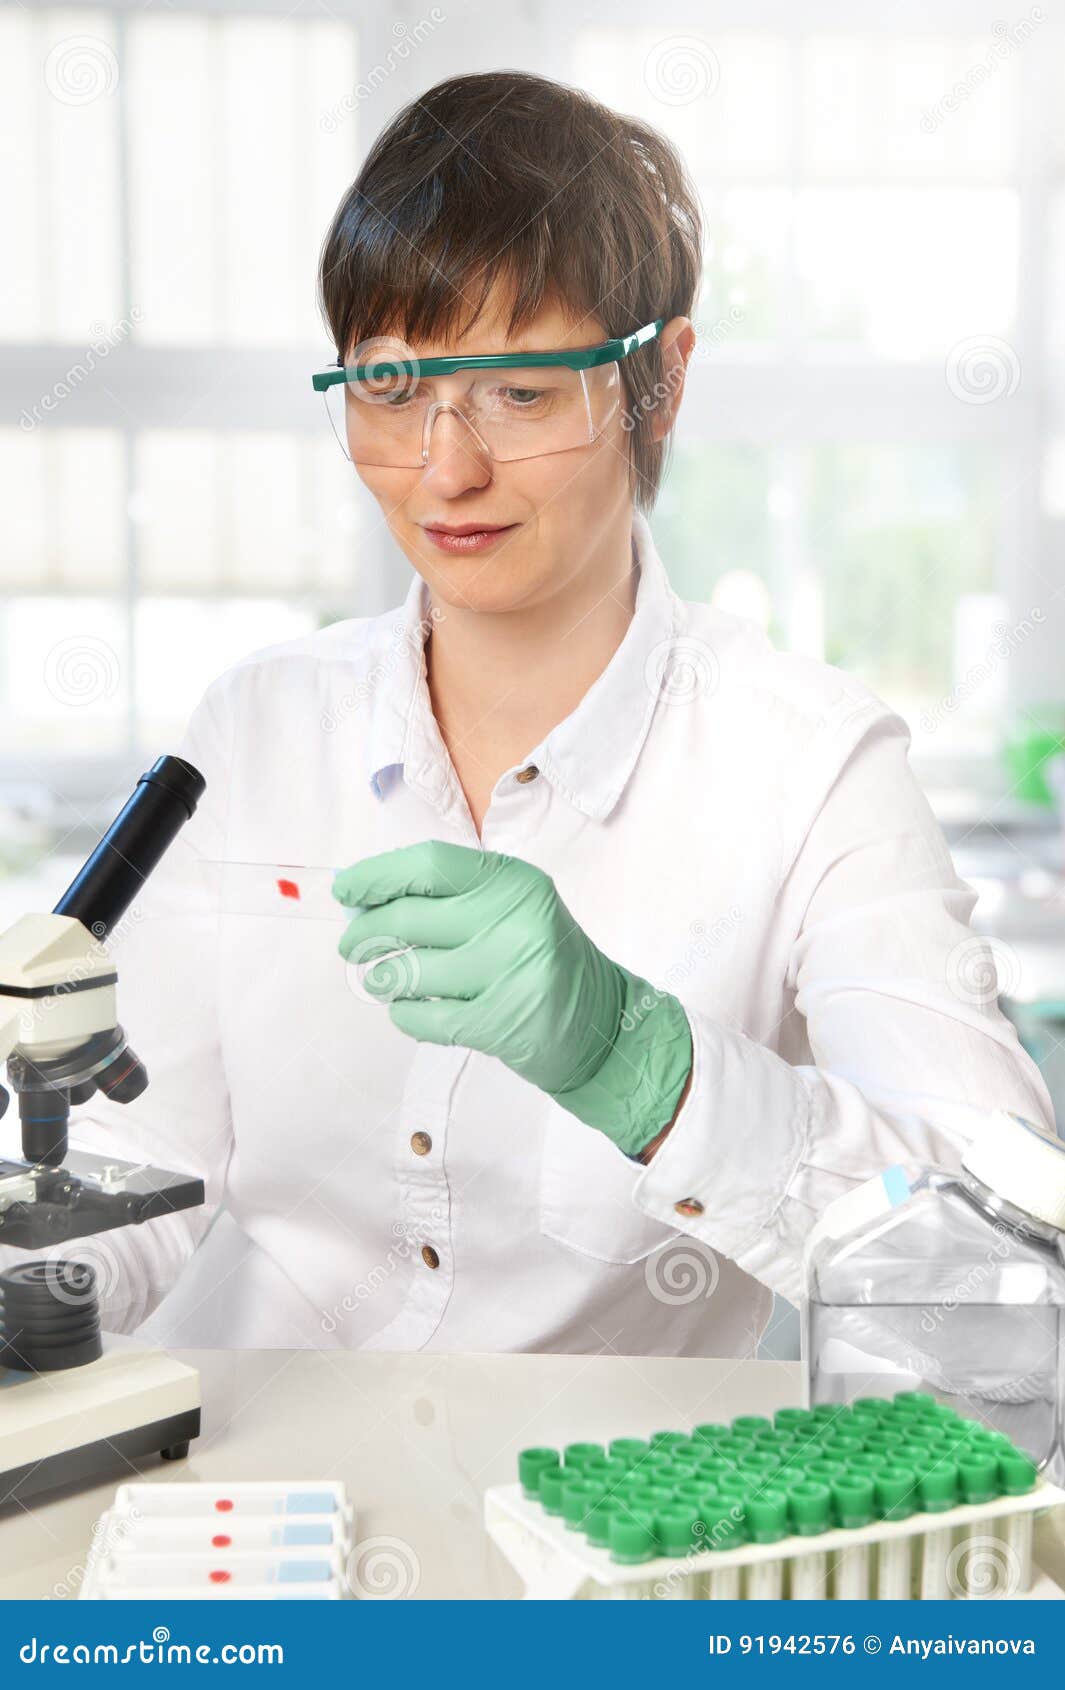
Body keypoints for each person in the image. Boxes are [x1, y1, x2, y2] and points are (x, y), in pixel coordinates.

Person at [21, 71, 1053, 1352]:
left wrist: (652, 1071)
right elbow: (128, 1157)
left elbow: (1012, 1292)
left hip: (600, 1529)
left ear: (659, 382)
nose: (445, 468)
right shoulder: (253, 733)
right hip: (245, 1498)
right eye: (392, 388)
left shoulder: (812, 771)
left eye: (520, 391)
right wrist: (35, 1291)